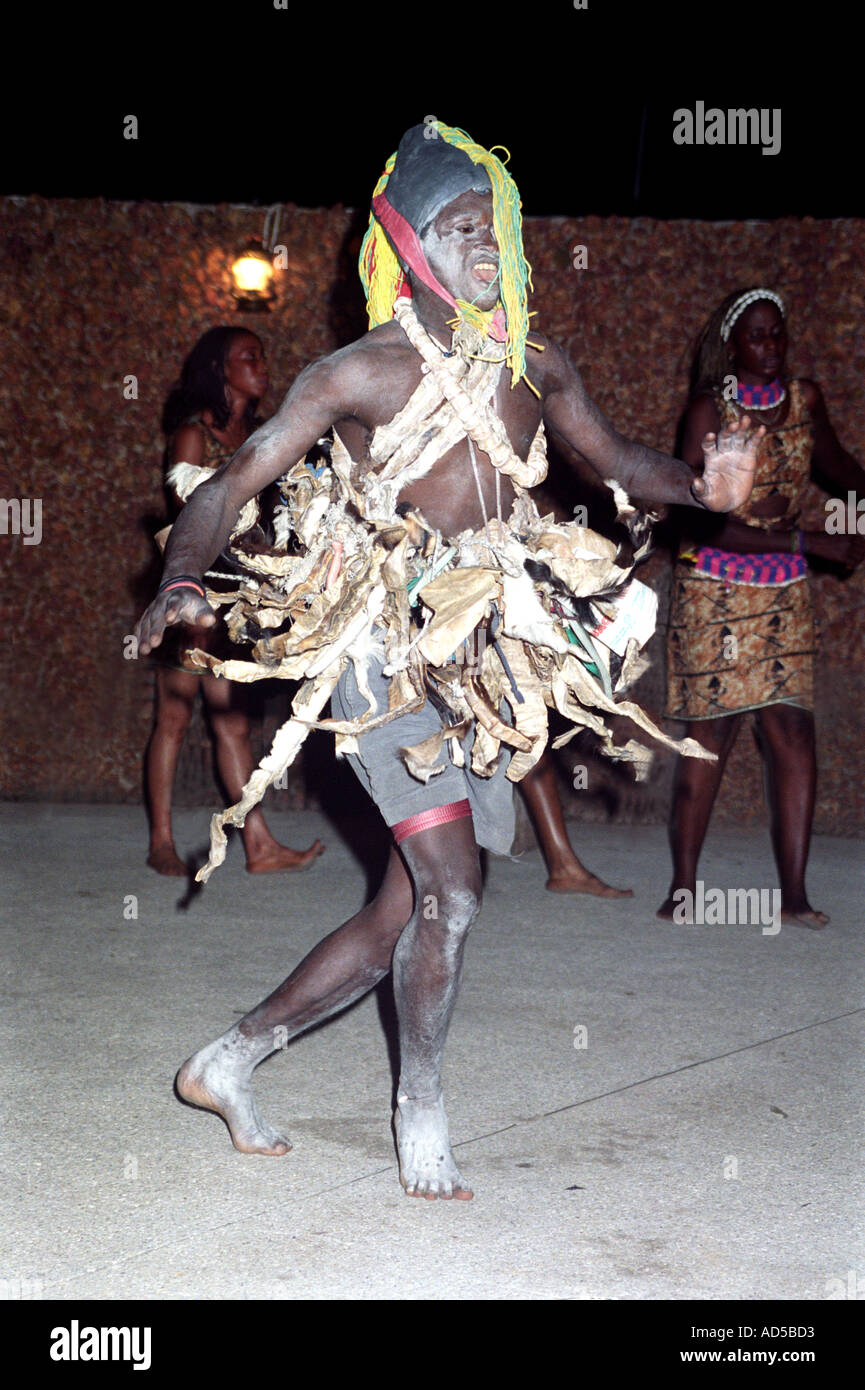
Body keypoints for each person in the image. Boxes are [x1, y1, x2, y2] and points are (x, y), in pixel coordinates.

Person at [136, 123, 761, 1200]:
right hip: (383, 648)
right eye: (458, 226)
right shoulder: (358, 372)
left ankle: (228, 1060)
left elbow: (615, 461)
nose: (483, 242)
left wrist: (704, 483)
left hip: (482, 657)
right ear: (413, 245)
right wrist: (184, 578)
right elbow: (231, 483)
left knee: (404, 909)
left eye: (492, 223)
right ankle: (418, 1108)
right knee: (452, 892)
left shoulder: (532, 363)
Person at [659, 288, 865, 928]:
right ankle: (685, 889)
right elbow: (701, 524)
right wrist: (815, 541)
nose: (770, 346)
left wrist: (856, 517)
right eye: (756, 336)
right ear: (732, 344)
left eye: (777, 333)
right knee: (709, 738)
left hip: (782, 590)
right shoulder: (708, 412)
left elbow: (843, 472)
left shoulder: (803, 402)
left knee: (793, 734)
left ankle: (796, 895)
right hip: (715, 588)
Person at [145, 327, 325, 877]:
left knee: (232, 724)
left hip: (237, 596)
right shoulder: (194, 435)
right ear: (221, 370)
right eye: (249, 357)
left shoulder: (263, 435)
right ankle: (161, 841)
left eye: (263, 355)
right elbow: (188, 516)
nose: (261, 365)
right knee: (174, 716)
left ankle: (259, 843)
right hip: (194, 592)